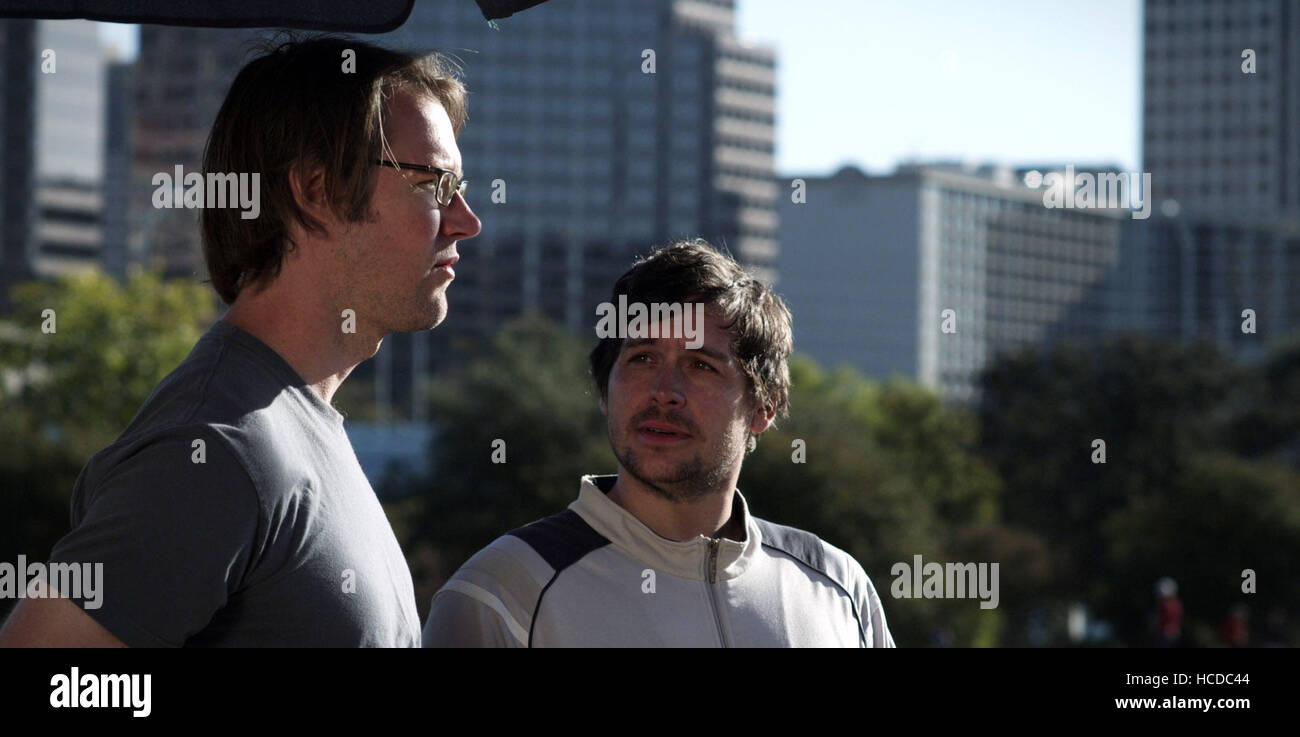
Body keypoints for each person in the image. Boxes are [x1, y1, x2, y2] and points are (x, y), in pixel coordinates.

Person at [0, 36, 481, 647]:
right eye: (434, 184)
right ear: (316, 188)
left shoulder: (288, 425)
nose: (467, 218)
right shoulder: (215, 446)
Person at [423, 240, 894, 647]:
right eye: (643, 357)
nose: (663, 389)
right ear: (605, 390)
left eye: (700, 365)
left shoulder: (838, 587)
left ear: (764, 407)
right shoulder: (501, 593)